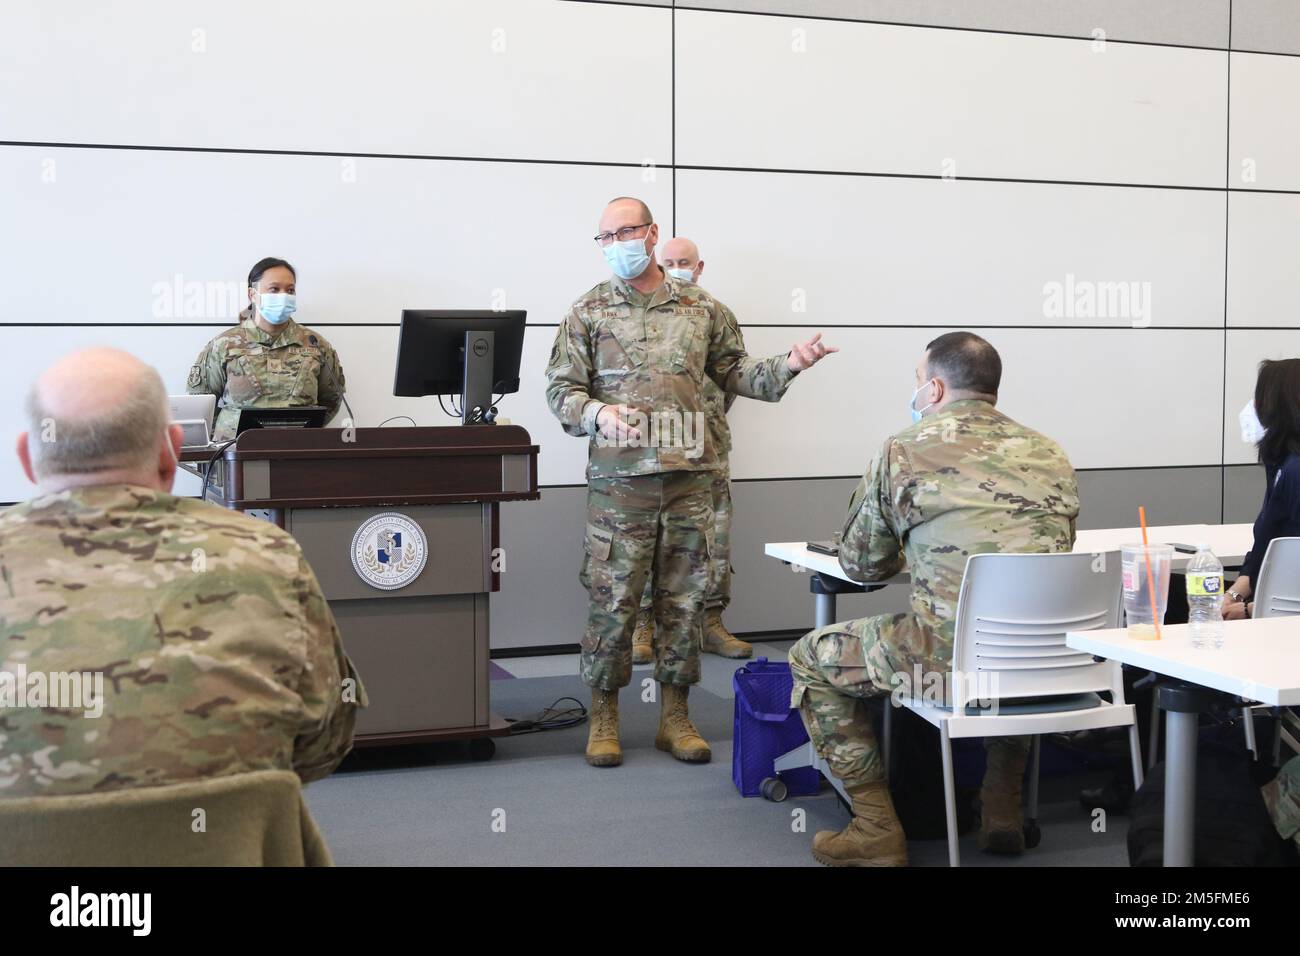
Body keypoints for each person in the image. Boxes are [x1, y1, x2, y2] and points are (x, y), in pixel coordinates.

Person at [545, 197, 835, 768]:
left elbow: (737, 373)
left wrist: (791, 365)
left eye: (623, 232)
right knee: (614, 601)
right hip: (619, 483)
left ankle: (674, 718)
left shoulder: (703, 309)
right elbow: (560, 390)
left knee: (683, 602)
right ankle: (604, 717)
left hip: (688, 479)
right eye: (603, 237)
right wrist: (597, 414)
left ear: (651, 233)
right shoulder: (588, 310)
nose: (614, 244)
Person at [0, 348, 365, 797]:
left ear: (24, 458)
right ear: (171, 452)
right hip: (229, 845)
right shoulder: (266, 553)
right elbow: (324, 742)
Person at [787, 332, 1080, 866]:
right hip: (1046, 659)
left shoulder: (905, 448)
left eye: (918, 382)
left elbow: (861, 565)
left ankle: (875, 827)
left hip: (945, 663)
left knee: (811, 656)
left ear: (937, 388)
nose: (916, 392)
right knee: (1005, 633)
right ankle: (1001, 812)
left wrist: (917, 549)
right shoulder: (1050, 451)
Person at [631, 236, 751, 664]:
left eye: (685, 262)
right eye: (670, 261)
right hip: (649, 455)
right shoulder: (638, 314)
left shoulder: (716, 313)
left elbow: (732, 378)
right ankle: (642, 624)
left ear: (700, 268)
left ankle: (711, 621)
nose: (677, 267)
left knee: (714, 538)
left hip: (710, 451)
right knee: (646, 539)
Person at [187, 257, 346, 441]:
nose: (283, 295)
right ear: (252, 295)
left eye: (290, 290)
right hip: (235, 453)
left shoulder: (315, 344)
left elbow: (332, 399)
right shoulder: (225, 344)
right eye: (274, 289)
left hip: (298, 451)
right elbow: (200, 403)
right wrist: (226, 435)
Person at [1223, 358, 1300, 620]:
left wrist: (1247, 610)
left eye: (1260, 397)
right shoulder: (1282, 464)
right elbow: (1263, 549)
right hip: (1270, 606)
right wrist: (1233, 595)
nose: (1254, 407)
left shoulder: (1295, 471)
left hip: (1278, 617)